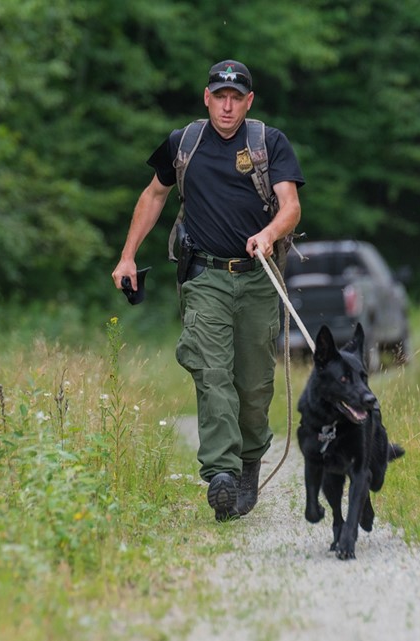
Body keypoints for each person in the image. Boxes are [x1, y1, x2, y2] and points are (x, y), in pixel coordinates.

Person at [112, 60, 304, 521]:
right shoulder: (184, 143)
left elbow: (291, 205)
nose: (227, 105)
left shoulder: (268, 143)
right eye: (220, 95)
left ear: (249, 101)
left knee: (254, 386)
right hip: (205, 279)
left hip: (258, 278)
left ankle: (249, 462)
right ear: (206, 97)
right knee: (212, 370)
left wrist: (270, 234)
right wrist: (127, 256)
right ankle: (221, 474)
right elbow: (154, 195)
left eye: (236, 97)